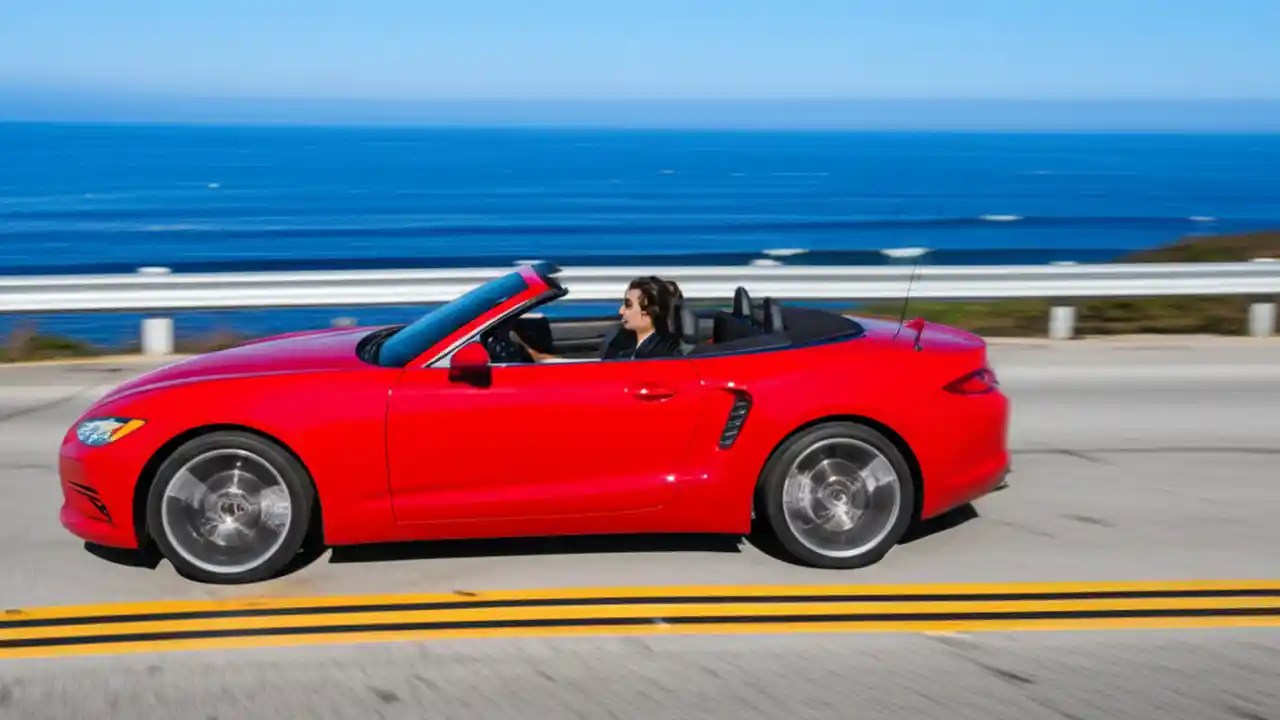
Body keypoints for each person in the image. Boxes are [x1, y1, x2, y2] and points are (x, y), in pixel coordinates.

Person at [516, 276, 682, 362]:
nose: (621, 311)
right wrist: (541, 358)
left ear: (650, 312)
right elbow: (598, 367)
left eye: (628, 305)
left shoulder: (657, 357)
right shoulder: (628, 345)